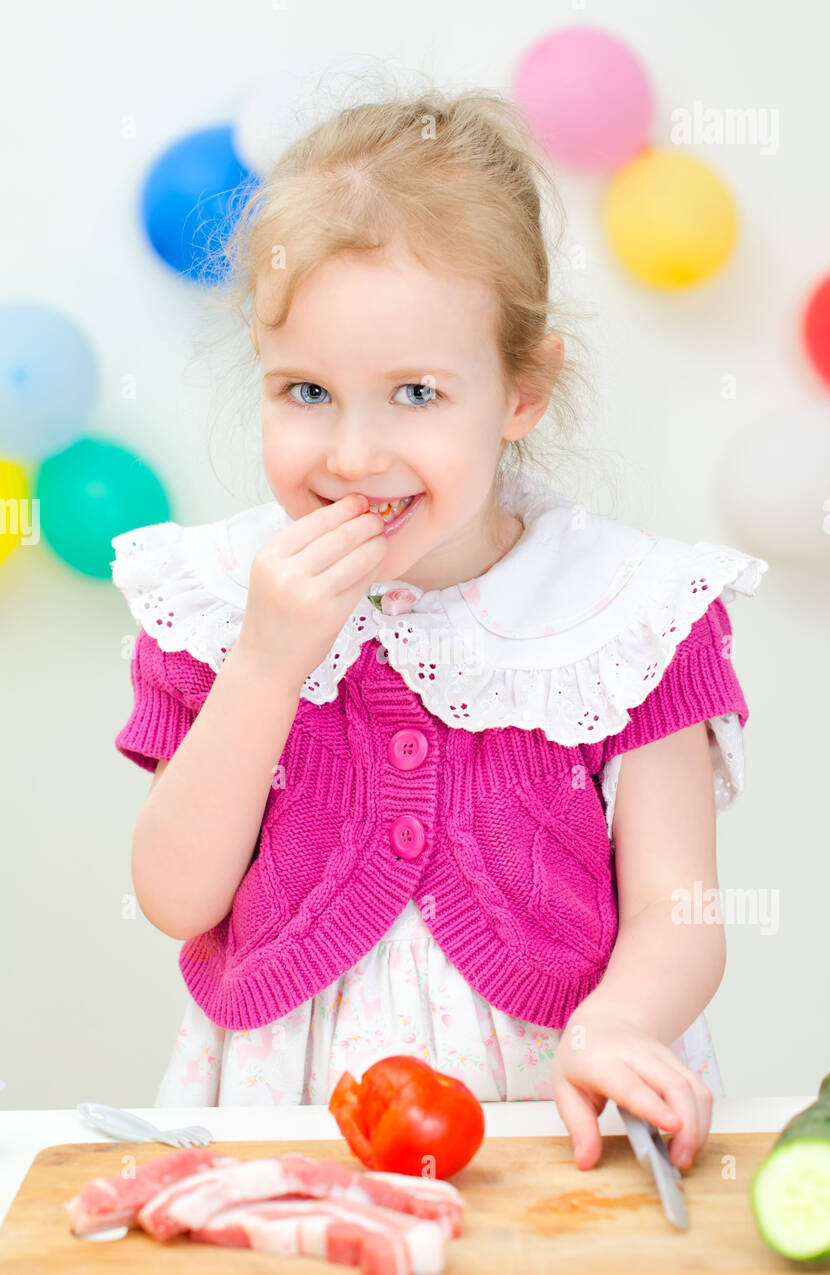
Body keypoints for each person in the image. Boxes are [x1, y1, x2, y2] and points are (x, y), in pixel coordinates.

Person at [111, 86, 767, 1173]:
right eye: (306, 389)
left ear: (521, 390)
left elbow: (677, 906)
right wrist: (268, 666)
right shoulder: (219, 600)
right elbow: (177, 897)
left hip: (556, 1107)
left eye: (415, 392)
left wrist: (619, 1025)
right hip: (292, 1109)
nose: (355, 452)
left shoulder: (632, 613)